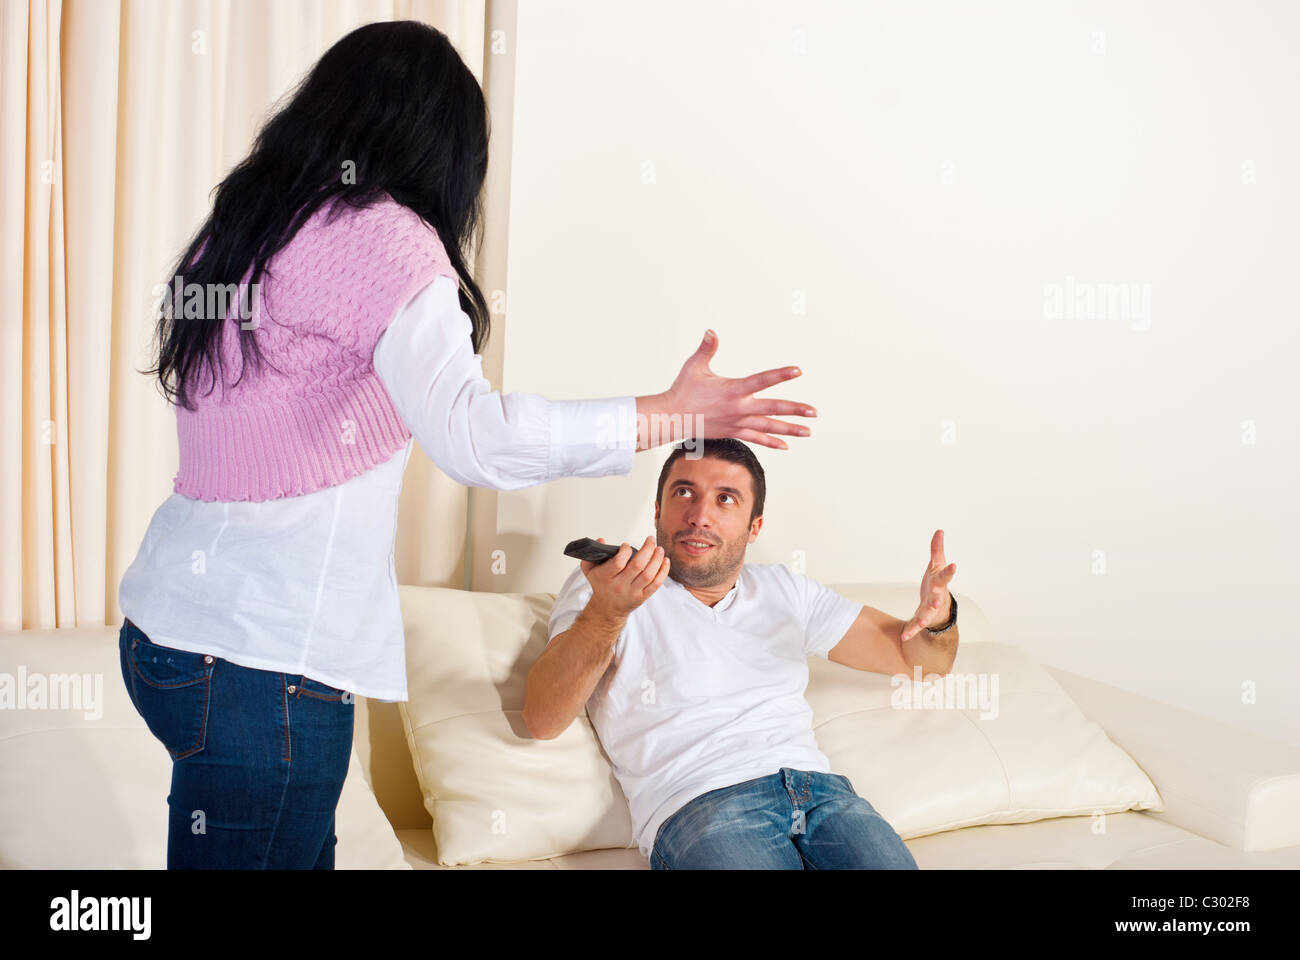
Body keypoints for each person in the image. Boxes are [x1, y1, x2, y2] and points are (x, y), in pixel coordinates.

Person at [116, 21, 818, 870]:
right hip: (266, 665)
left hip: (169, 635)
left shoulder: (249, 225)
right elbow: (476, 440)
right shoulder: (382, 236)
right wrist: (665, 414)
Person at [523, 438, 959, 869]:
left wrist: (938, 618)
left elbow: (922, 662)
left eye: (725, 499)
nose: (699, 515)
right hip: (700, 805)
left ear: (754, 526)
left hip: (824, 796)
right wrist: (606, 615)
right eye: (683, 492)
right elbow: (543, 719)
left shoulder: (787, 590)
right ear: (658, 510)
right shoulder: (606, 587)